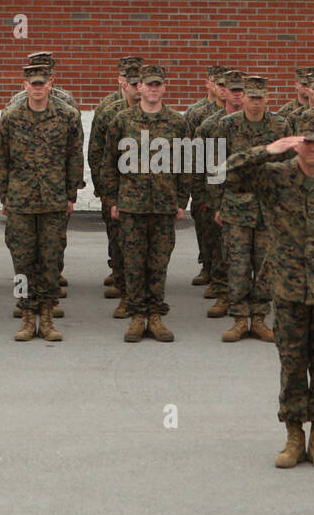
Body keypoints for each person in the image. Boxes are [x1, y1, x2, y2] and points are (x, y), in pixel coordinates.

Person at [224, 131, 314, 470]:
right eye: (307, 142)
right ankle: (293, 436)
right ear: (296, 145)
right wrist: (267, 150)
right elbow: (228, 175)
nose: (313, 149)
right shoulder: (275, 177)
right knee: (292, 364)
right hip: (290, 286)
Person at [100, 64, 190, 342]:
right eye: (148, 85)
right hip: (131, 205)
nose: (152, 89)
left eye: (157, 85)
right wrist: (112, 199)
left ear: (164, 87)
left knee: (159, 262)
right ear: (139, 88)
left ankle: (155, 315)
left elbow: (187, 164)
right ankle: (138, 315)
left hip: (163, 205)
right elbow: (109, 163)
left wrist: (181, 200)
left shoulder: (177, 122)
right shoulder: (122, 120)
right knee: (134, 262)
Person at [0, 63, 84, 341]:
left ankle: (46, 315)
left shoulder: (67, 116)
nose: (36, 88)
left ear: (50, 83)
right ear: (25, 85)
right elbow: (2, 160)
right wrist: (5, 196)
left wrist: (71, 194)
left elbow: (74, 157)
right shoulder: (10, 117)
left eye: (41, 83)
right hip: (21, 201)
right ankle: (26, 315)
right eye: (32, 83)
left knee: (50, 261)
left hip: (54, 201)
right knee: (22, 263)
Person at [213, 75, 291, 342]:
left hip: (268, 209)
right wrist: (218, 204)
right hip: (236, 207)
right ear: (242, 97)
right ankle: (238, 318)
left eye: (260, 98)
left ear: (267, 99)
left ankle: (258, 317)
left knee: (266, 266)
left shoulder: (280, 125)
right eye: (251, 97)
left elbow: (289, 168)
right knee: (237, 265)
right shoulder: (227, 126)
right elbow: (217, 167)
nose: (256, 103)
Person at [89, 58, 143, 314]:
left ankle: (144, 298)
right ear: (123, 83)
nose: (136, 88)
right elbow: (98, 153)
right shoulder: (110, 112)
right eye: (132, 83)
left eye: (139, 83)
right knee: (121, 243)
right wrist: (104, 191)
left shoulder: (159, 115)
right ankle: (124, 290)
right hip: (120, 190)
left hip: (148, 195)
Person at [195, 69, 246, 317]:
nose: (237, 95)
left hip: (252, 200)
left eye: (241, 91)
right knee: (220, 249)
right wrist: (203, 199)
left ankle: (250, 303)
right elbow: (197, 164)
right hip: (218, 198)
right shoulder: (210, 126)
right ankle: (222, 293)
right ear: (223, 92)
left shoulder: (264, 125)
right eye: (232, 90)